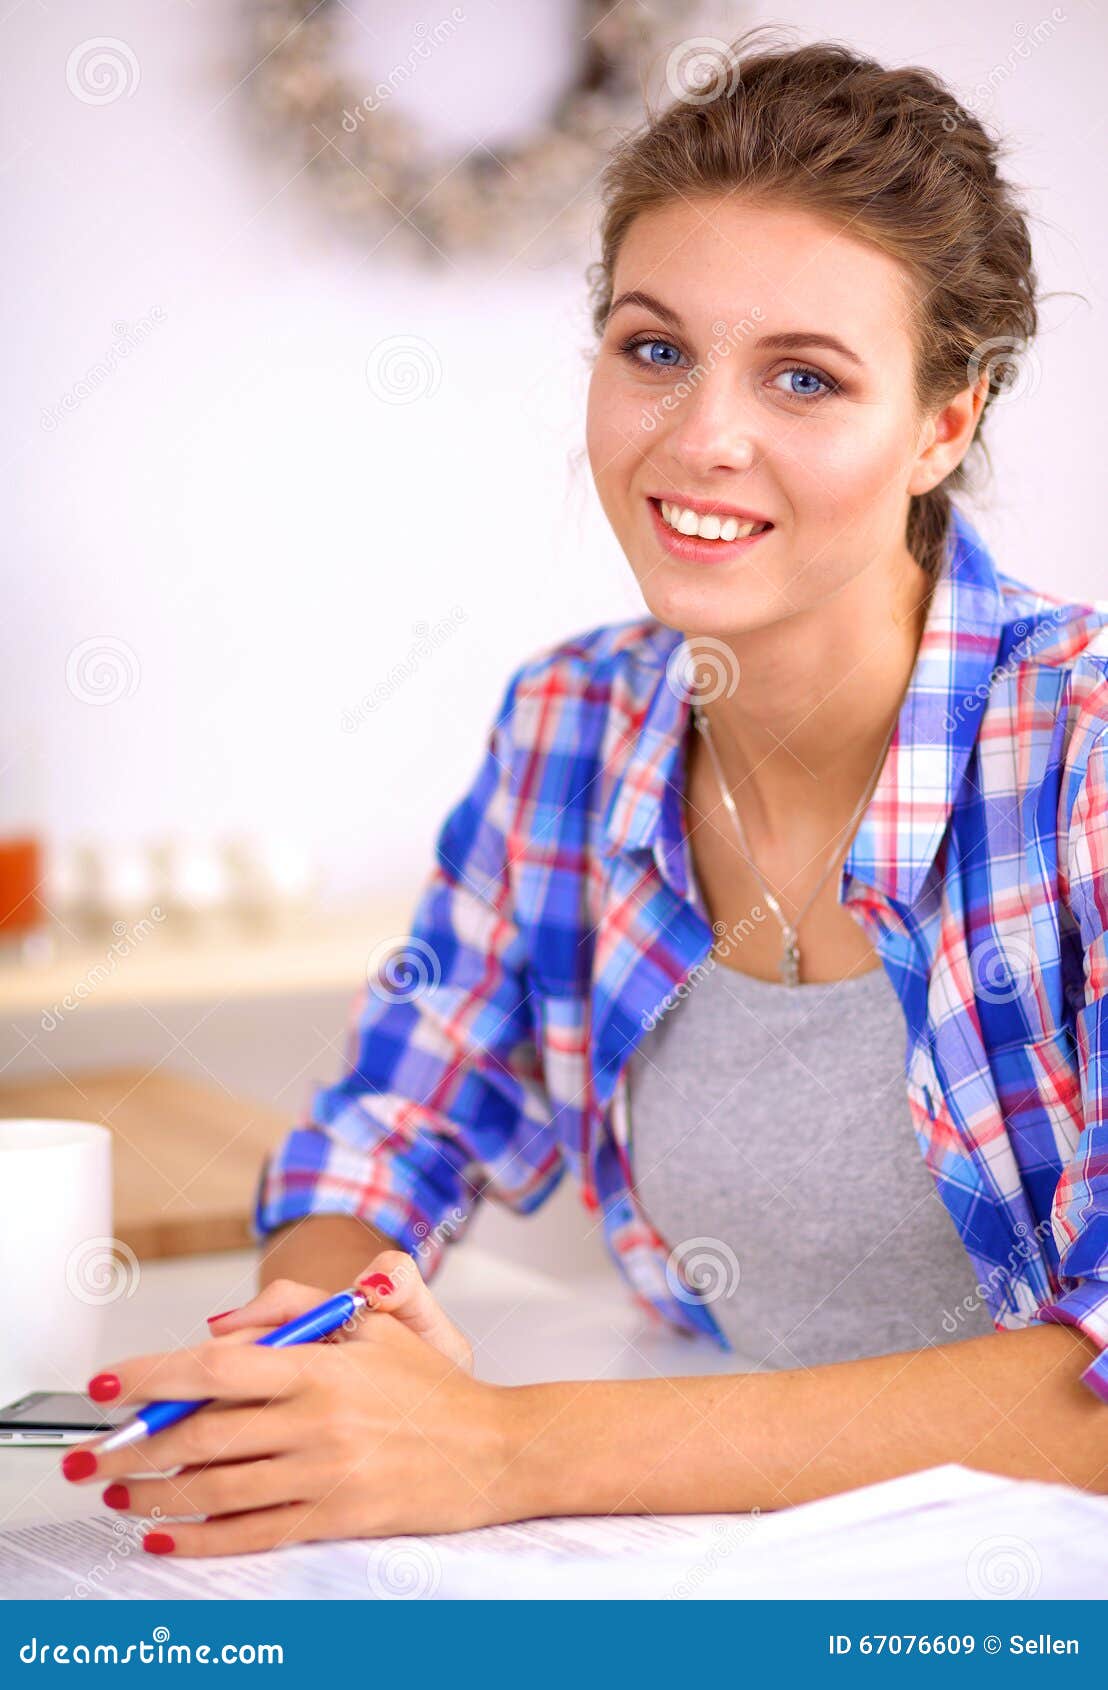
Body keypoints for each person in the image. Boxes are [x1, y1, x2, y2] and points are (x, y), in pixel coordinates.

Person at [62, 31, 1107, 1556]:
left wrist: (504, 1448)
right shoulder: (576, 724)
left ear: (945, 422)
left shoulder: (1076, 748)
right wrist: (312, 1351)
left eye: (805, 376)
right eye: (655, 347)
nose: (698, 439)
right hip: (719, 1559)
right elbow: (387, 1133)